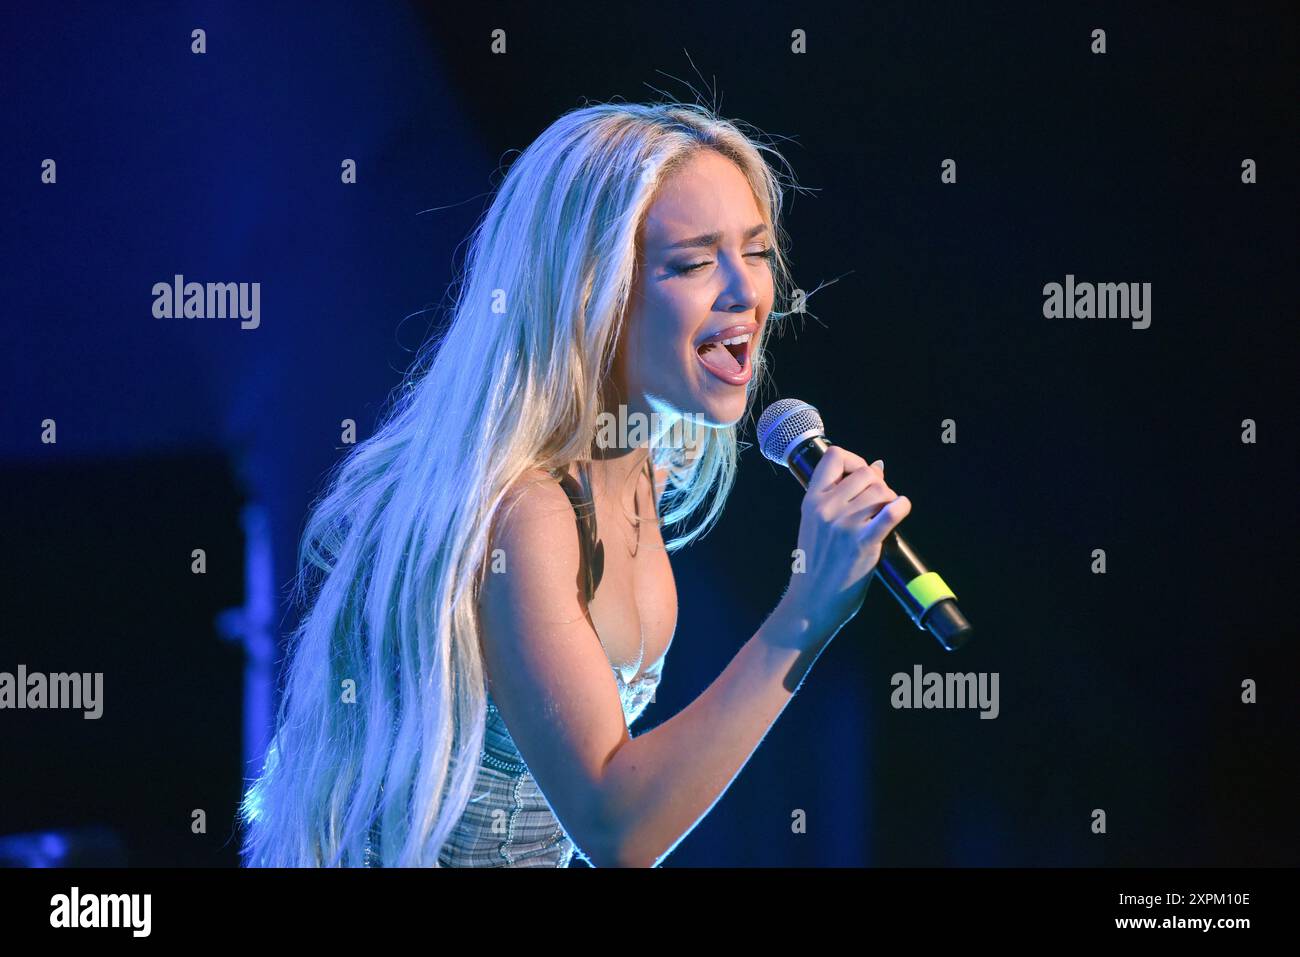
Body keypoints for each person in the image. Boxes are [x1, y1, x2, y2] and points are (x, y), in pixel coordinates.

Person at [238, 100, 911, 867]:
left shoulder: (643, 473)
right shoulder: (525, 510)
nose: (745, 292)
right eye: (693, 262)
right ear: (590, 288)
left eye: (755, 252)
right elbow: (615, 825)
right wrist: (807, 612)